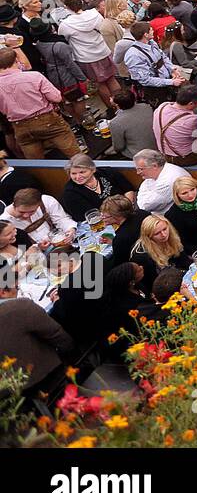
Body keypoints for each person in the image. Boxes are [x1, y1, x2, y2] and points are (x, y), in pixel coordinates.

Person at [0, 259, 74, 394]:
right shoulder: (20, 307)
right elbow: (58, 336)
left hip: (11, 394)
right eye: (16, 288)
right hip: (46, 378)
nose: (18, 291)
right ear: (3, 292)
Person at [0, 47, 81, 158]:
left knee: (38, 165)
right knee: (75, 155)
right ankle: (88, 173)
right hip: (47, 120)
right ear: (16, 61)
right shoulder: (34, 76)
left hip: (20, 126)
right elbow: (56, 97)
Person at [61, 153, 133, 226]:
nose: (78, 176)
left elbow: (128, 189)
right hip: (104, 224)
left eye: (82, 172)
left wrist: (127, 208)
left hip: (127, 211)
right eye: (73, 173)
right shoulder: (70, 193)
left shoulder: (107, 172)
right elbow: (88, 217)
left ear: (93, 169)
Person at [132, 149, 190, 215]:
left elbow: (145, 206)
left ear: (154, 166)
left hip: (172, 217)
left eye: (141, 169)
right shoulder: (156, 171)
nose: (138, 172)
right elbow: (144, 186)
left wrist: (144, 196)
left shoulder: (167, 180)